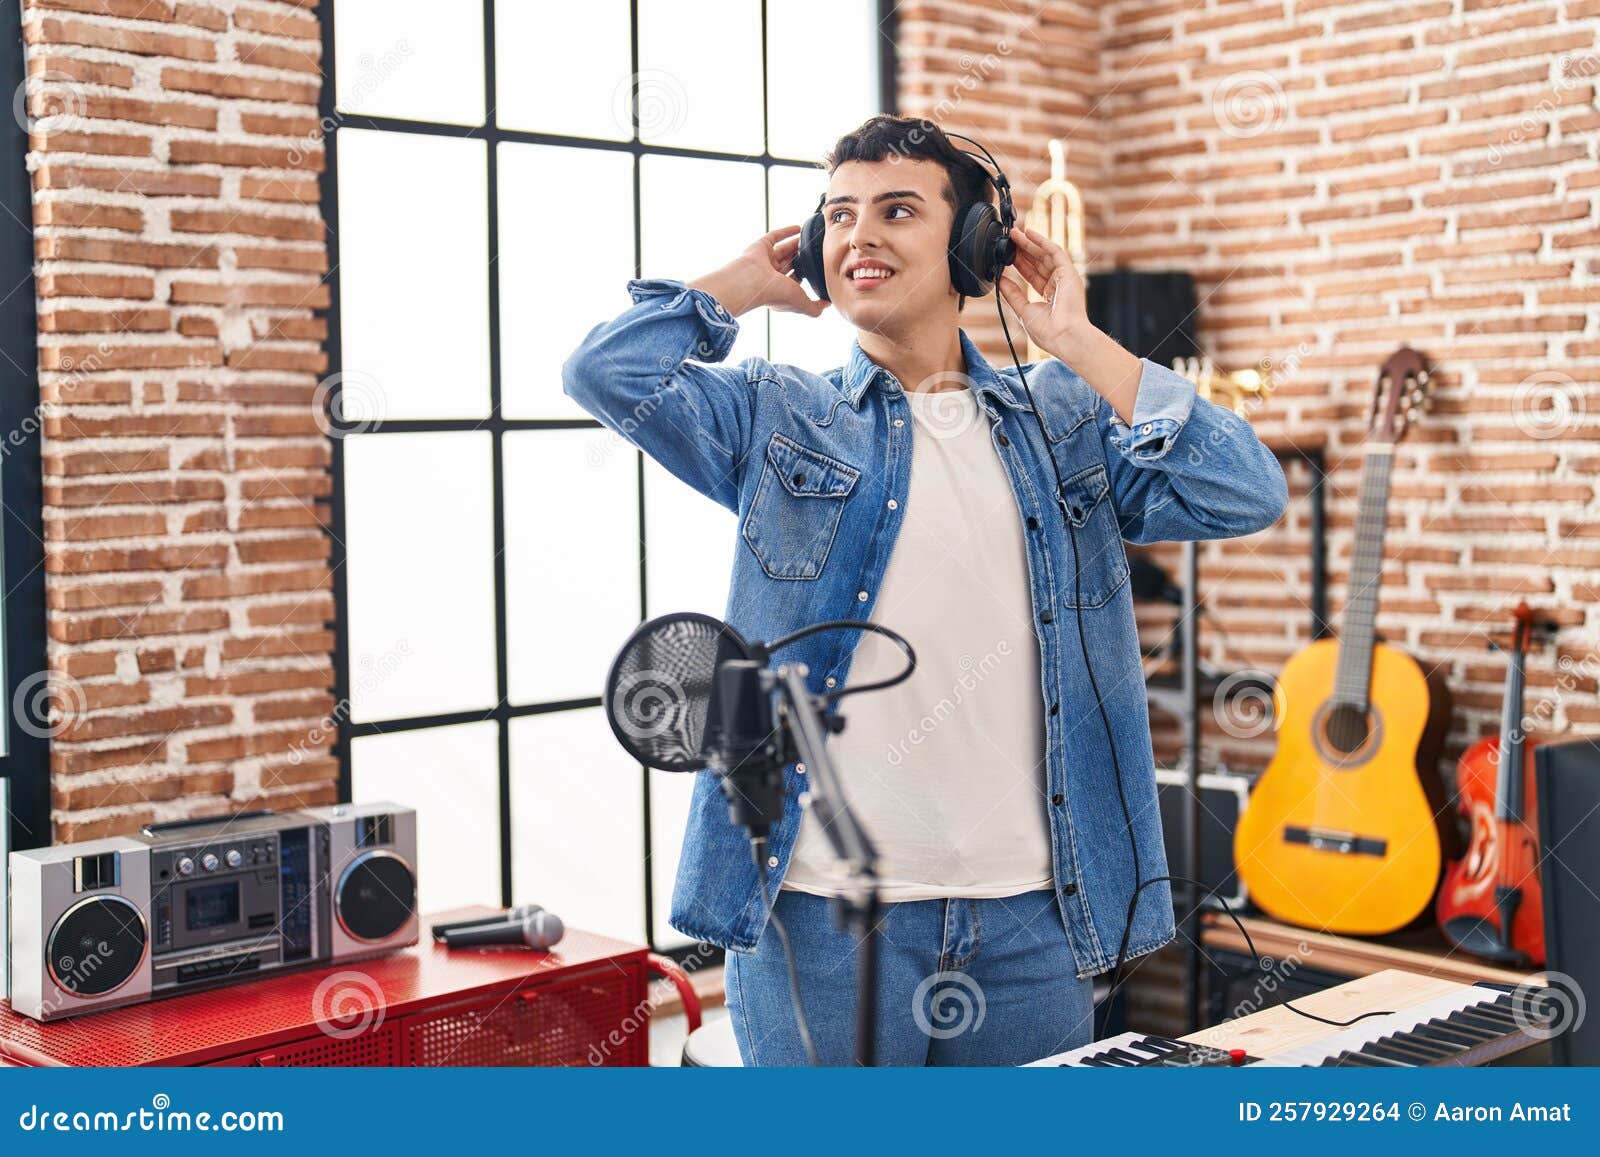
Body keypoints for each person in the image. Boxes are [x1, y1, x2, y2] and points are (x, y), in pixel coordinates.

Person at [563, 114, 1288, 1065]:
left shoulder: (1063, 421)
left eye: (898, 211)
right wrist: (744, 282)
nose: (860, 234)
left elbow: (1245, 488)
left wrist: (1075, 338)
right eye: (839, 216)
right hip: (821, 922)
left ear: (974, 245)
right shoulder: (780, 413)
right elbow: (606, 370)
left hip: (1034, 919)